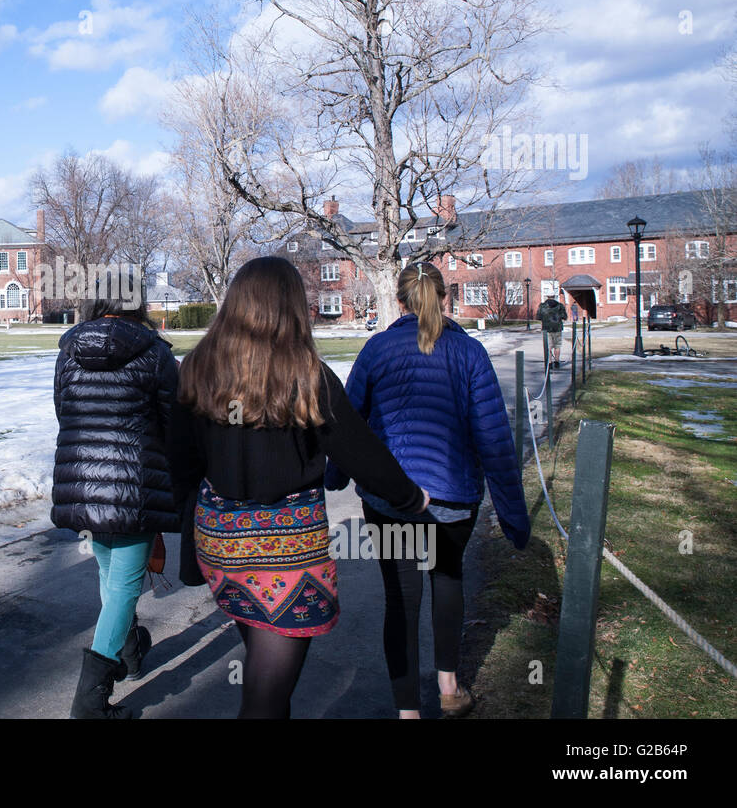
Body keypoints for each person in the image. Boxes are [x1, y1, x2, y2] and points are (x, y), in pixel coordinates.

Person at [167, 256, 430, 719]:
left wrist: (191, 540)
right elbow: (360, 452)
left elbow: (182, 464)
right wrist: (411, 496)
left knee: (268, 679)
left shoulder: (196, 369)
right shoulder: (306, 375)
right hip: (284, 553)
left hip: (221, 543)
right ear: (291, 307)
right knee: (266, 697)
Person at [327, 262, 529, 719]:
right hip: (453, 501)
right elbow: (494, 440)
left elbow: (348, 425)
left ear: (399, 301)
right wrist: (514, 517)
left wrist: (334, 477)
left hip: (390, 502)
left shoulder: (377, 349)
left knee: (400, 597)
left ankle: (408, 713)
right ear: (445, 298)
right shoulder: (469, 354)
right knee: (447, 578)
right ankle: (449, 688)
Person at [51, 269, 179, 719]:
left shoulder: (68, 351)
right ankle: (89, 703)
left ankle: (128, 651)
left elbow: (63, 411)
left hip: (84, 479)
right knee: (123, 586)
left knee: (111, 579)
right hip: (135, 483)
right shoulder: (156, 354)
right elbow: (172, 421)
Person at [537, 294, 568, 368]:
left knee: (548, 346)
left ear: (547, 297)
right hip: (557, 328)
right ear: (554, 297)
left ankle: (550, 363)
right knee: (557, 345)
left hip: (546, 329)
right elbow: (565, 317)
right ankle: (557, 361)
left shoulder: (542, 306)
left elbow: (538, 317)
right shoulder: (560, 306)